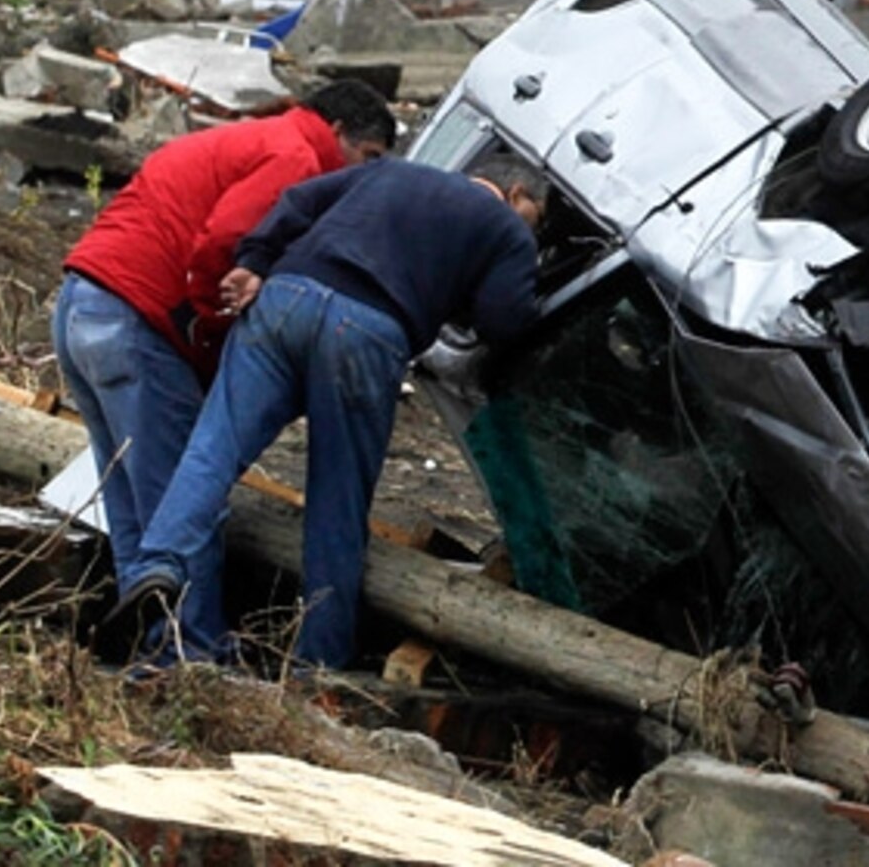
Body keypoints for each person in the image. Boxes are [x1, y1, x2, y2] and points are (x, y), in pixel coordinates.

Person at [110, 154, 545, 668]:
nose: (532, 226)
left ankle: (157, 563)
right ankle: (318, 663)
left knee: (213, 450)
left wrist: (254, 260)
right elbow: (504, 320)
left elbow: (297, 201)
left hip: (284, 296)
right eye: (537, 215)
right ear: (517, 193)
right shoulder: (506, 229)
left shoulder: (393, 170)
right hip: (368, 331)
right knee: (337, 500)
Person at [53, 79, 398, 658]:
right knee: (182, 506)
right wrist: (210, 326)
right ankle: (186, 657)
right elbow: (226, 239)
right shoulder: (298, 156)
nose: (364, 177)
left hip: (81, 302)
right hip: (141, 319)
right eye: (367, 160)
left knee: (133, 504)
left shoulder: (251, 136)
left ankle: (145, 646)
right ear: (338, 133)